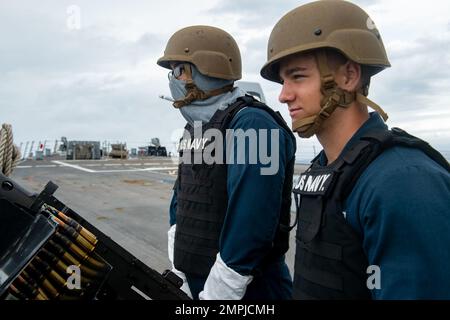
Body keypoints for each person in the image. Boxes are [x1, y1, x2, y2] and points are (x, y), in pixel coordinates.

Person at [260, 0, 450, 299]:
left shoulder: (402, 181)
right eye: (283, 81)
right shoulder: (326, 169)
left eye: (297, 76)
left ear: (348, 77)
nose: (283, 96)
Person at [157, 25, 296, 300]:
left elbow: (251, 223)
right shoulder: (196, 128)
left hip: (248, 291)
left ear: (205, 71)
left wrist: (218, 294)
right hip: (198, 279)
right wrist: (180, 265)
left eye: (178, 70)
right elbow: (182, 198)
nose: (173, 80)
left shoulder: (253, 125)